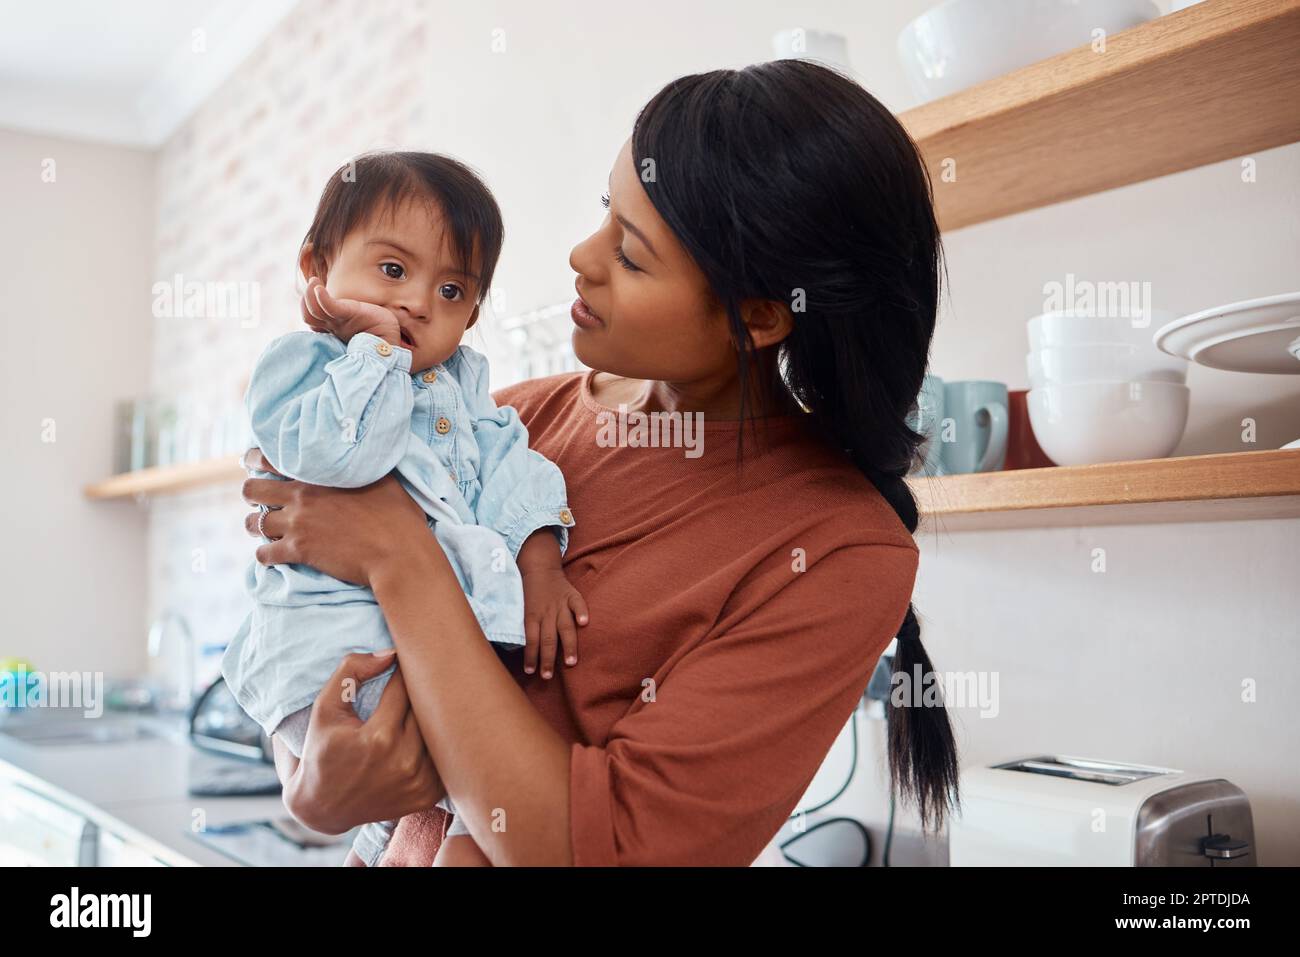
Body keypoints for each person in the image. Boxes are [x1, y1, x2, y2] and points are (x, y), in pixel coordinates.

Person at [242, 58, 959, 866]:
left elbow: (610, 850)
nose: (582, 256)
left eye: (633, 255)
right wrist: (302, 777)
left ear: (758, 316)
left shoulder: (837, 552)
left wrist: (398, 553)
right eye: (603, 212)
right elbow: (293, 604)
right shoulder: (500, 419)